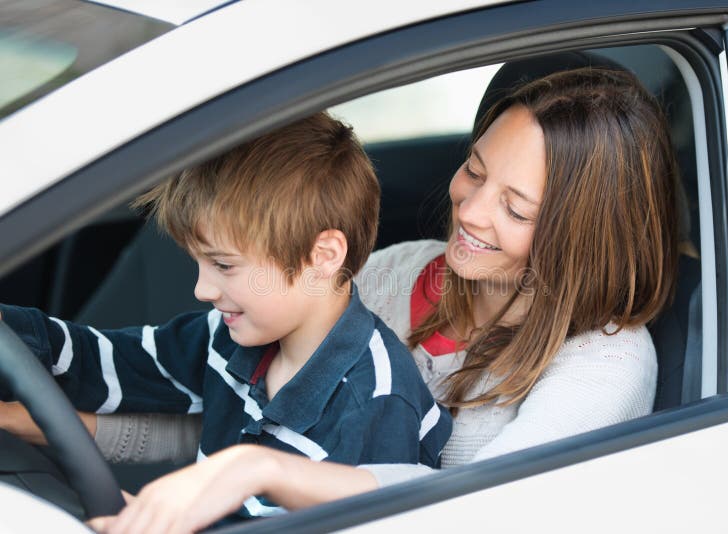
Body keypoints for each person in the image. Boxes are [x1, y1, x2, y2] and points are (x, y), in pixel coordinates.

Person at [6, 67, 682, 533]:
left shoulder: (605, 365)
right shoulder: (396, 273)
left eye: (515, 206)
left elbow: (476, 515)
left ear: (581, 230)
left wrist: (252, 471)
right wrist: (61, 429)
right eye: (473, 169)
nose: (469, 210)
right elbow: (248, 419)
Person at [0, 112, 452, 525]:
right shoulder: (231, 336)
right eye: (199, 263)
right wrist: (21, 336)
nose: (203, 289)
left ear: (323, 256)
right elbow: (111, 363)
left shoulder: (376, 401)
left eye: (224, 265)